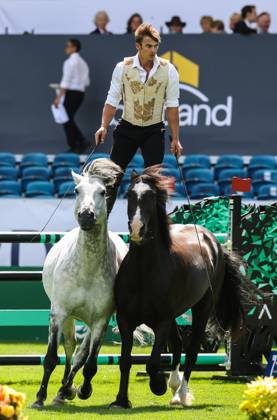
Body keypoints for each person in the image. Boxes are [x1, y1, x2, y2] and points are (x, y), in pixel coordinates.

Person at [94, 23, 182, 213]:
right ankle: (102, 223)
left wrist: (175, 138)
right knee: (112, 178)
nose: (153, 50)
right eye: (148, 46)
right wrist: (103, 126)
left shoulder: (169, 70)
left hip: (154, 129)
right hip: (127, 127)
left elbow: (173, 107)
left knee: (154, 181)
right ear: (138, 46)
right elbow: (112, 99)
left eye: (155, 46)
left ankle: (156, 228)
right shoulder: (122, 67)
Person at [54, 39, 90, 153]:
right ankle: (79, 143)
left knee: (66, 119)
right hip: (80, 93)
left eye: (68, 46)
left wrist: (59, 97)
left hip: (72, 93)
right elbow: (86, 81)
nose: (66, 48)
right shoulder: (83, 62)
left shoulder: (69, 62)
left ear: (74, 47)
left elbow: (66, 80)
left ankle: (76, 144)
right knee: (68, 118)